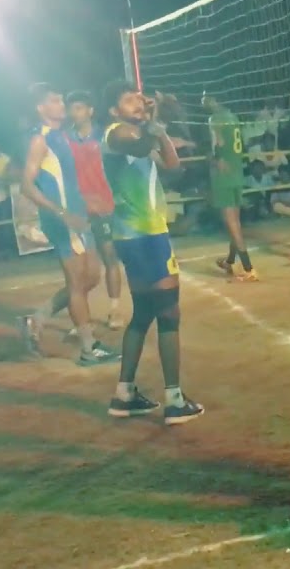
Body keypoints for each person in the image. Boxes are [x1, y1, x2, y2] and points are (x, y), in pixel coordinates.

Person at [102, 81, 204, 425]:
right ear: (114, 111)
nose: (137, 103)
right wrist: (153, 124)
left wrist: (159, 126)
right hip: (144, 236)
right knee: (169, 312)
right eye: (128, 100)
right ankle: (174, 399)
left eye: (138, 98)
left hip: (139, 236)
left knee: (144, 312)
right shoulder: (116, 133)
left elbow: (173, 167)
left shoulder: (140, 134)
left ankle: (124, 394)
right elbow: (142, 145)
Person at [17, 83, 120, 366]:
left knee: (92, 277)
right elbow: (27, 186)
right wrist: (62, 213)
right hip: (63, 220)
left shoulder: (61, 136)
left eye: (61, 100)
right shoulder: (40, 140)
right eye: (55, 100)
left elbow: (68, 179)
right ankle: (89, 348)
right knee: (77, 283)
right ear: (41, 108)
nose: (61, 104)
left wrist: (87, 200)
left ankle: (37, 318)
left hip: (78, 215)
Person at [64, 91, 125, 328]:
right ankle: (81, 316)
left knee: (109, 255)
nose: (74, 113)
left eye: (79, 108)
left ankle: (115, 309)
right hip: (78, 208)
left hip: (104, 205)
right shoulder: (65, 139)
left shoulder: (105, 135)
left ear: (90, 110)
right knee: (80, 268)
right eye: (72, 108)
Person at [203, 93, 258, 281]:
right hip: (236, 172)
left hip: (224, 175)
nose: (202, 100)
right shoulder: (233, 117)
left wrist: (213, 158)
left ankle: (249, 268)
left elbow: (217, 144)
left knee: (232, 223)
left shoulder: (215, 119)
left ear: (214, 99)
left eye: (205, 97)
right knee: (235, 222)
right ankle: (230, 260)